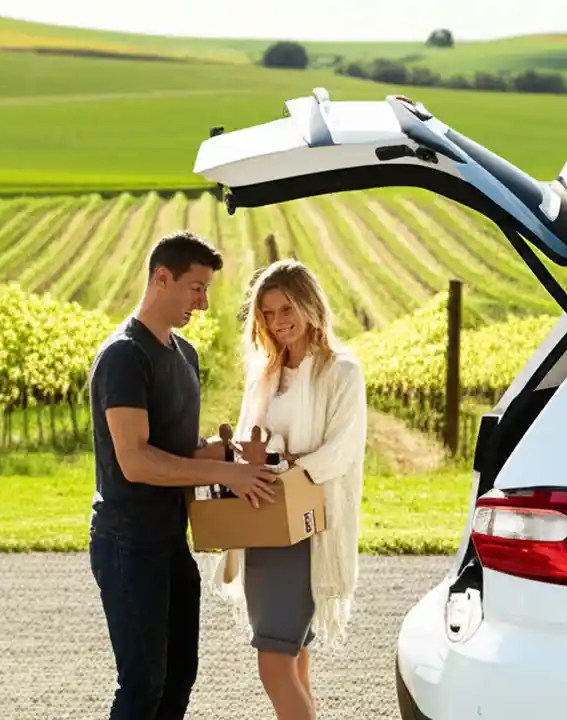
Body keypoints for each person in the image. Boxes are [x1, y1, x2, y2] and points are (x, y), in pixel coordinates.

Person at [88, 230, 278, 720]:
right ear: (161, 278)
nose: (204, 302)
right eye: (196, 288)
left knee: (178, 680)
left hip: (171, 540)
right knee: (142, 687)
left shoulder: (185, 354)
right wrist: (223, 472)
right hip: (128, 543)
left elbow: (177, 452)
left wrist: (225, 453)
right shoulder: (124, 357)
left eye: (206, 290)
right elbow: (136, 461)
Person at [214, 259, 369, 720]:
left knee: (274, 661)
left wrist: (280, 463)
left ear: (309, 305)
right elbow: (251, 443)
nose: (277, 321)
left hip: (305, 531)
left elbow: (339, 452)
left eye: (286, 309)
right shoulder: (265, 375)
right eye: (267, 313)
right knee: (295, 657)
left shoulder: (342, 372)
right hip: (261, 526)